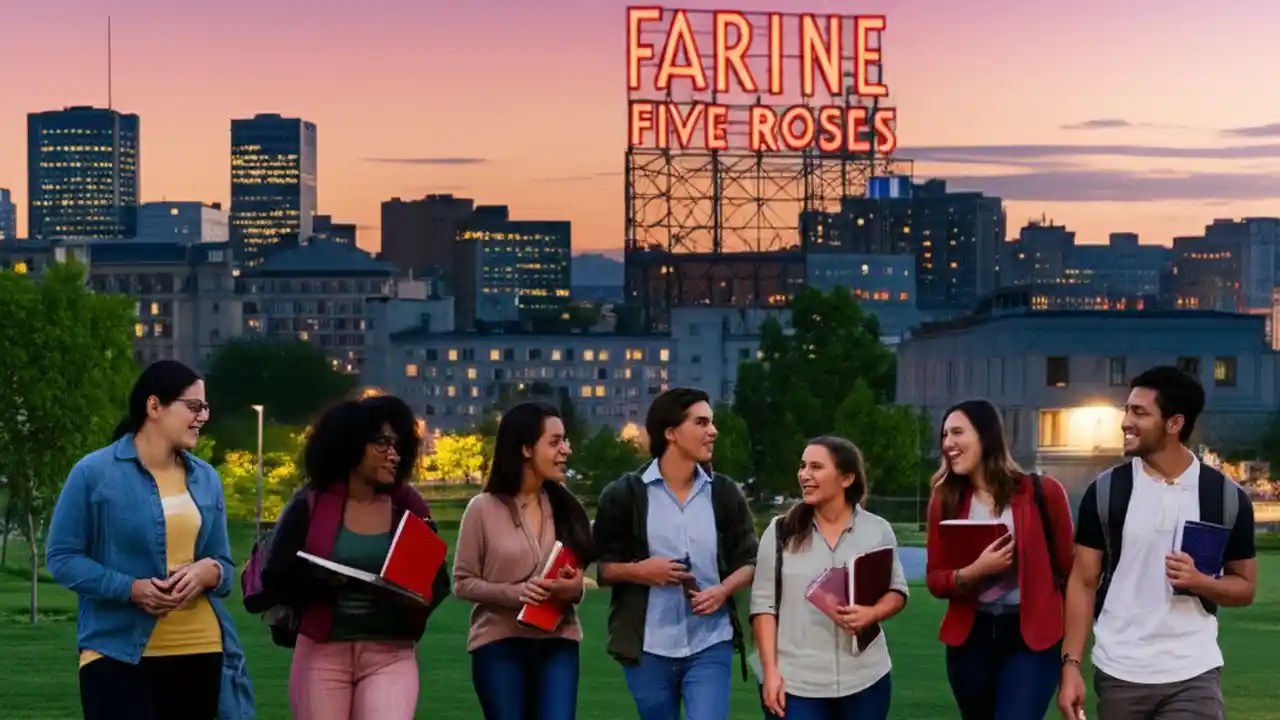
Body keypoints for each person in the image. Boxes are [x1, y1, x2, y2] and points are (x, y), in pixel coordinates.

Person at [45, 360, 255, 720]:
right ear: (154, 406)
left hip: (200, 649)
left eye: (205, 407)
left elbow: (224, 565)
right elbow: (63, 558)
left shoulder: (206, 478)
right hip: (116, 652)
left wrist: (212, 571)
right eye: (193, 406)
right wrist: (131, 588)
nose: (203, 416)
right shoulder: (93, 473)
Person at [1058, 366, 1257, 720]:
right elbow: (1083, 581)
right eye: (1127, 410)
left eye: (1139, 412)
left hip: (1194, 672)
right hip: (1120, 670)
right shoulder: (1106, 493)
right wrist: (1071, 665)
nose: (1125, 422)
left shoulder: (1225, 497)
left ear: (1174, 423)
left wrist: (1202, 583)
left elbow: (1245, 587)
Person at [258, 394, 445, 720]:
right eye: (382, 443)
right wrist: (322, 582)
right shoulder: (310, 504)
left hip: (391, 654)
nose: (393, 454)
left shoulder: (409, 507)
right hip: (321, 654)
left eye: (397, 445)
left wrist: (406, 596)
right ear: (350, 444)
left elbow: (436, 580)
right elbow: (275, 577)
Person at [593, 387, 759, 720]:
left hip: (711, 642)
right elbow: (604, 569)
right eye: (701, 422)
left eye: (711, 422)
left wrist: (722, 591)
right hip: (647, 647)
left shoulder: (724, 493)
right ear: (671, 433)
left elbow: (751, 561)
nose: (713, 431)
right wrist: (642, 571)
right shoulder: (623, 495)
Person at [924, 398, 1075, 720]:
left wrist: (1072, 658)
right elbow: (936, 579)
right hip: (971, 639)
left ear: (986, 436)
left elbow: (1069, 572)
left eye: (957, 432)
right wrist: (975, 572)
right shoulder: (945, 499)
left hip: (1030, 637)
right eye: (944, 434)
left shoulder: (1043, 492)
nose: (948, 443)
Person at [453, 401, 596, 719]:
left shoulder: (568, 510)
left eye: (566, 440)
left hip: (558, 641)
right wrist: (514, 593)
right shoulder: (482, 509)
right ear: (527, 449)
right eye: (555, 441)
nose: (566, 450)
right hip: (498, 643)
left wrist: (572, 589)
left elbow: (575, 585)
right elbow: (462, 583)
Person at [750, 436, 909, 720]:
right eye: (802, 466)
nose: (804, 475)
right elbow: (763, 607)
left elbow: (896, 591)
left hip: (865, 680)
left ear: (846, 478)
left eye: (816, 467)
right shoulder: (779, 531)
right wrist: (770, 672)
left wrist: (872, 613)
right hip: (797, 683)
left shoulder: (878, 530)